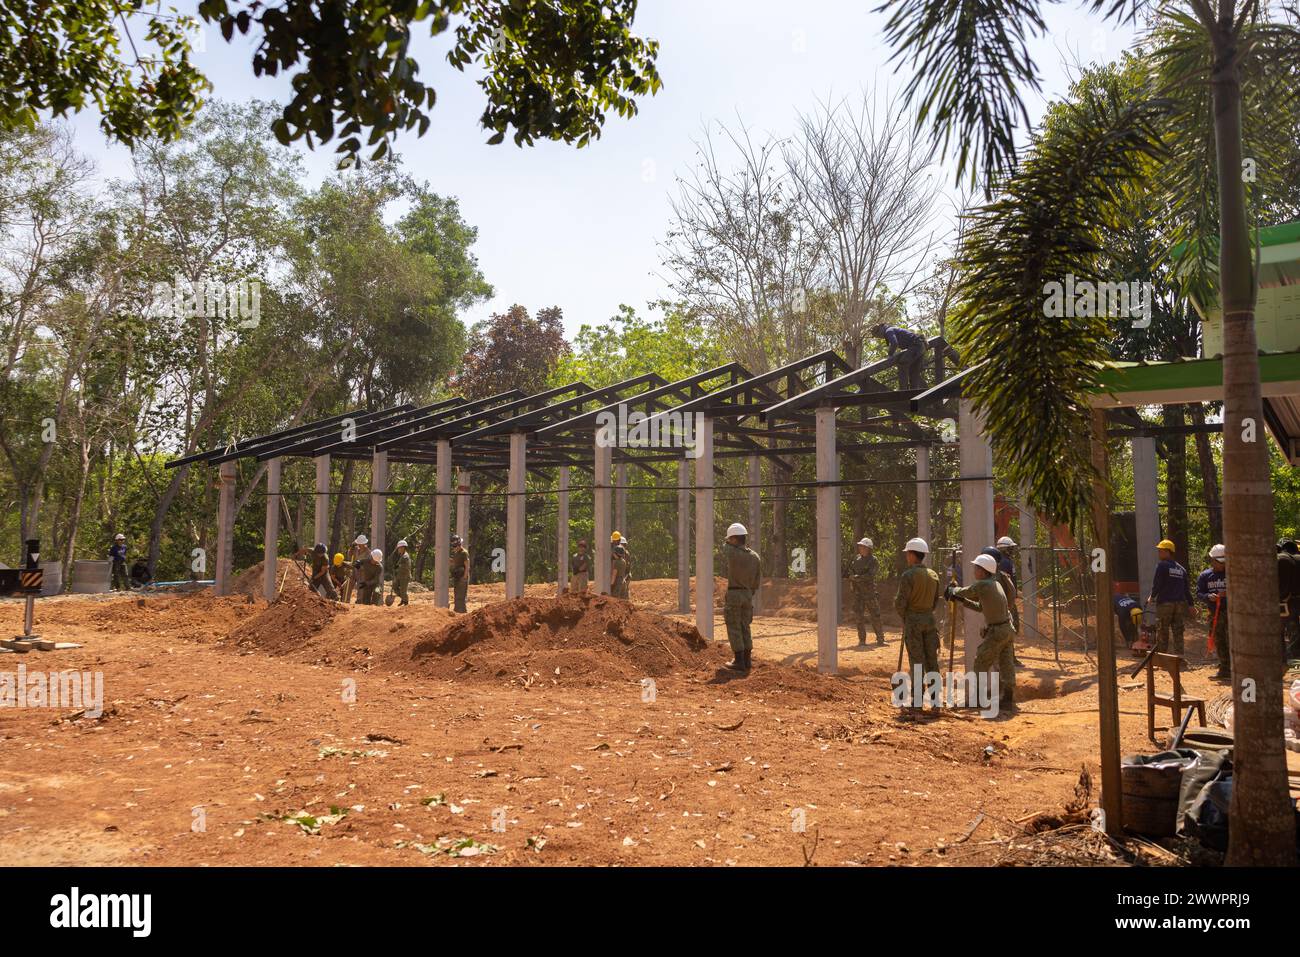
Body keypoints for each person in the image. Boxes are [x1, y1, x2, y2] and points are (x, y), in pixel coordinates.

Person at [945, 553, 1015, 710]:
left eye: (976, 568)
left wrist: (953, 590)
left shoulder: (984, 585)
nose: (974, 571)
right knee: (1006, 663)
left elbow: (967, 590)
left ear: (983, 571)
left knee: (981, 661)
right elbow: (980, 607)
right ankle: (1008, 698)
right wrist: (961, 601)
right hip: (1007, 629)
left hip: (997, 630)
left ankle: (977, 698)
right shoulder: (994, 584)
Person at [894, 537, 941, 685]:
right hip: (929, 621)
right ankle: (935, 699)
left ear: (914, 555)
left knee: (917, 662)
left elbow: (900, 603)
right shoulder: (933, 575)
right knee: (932, 661)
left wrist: (906, 617)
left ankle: (918, 701)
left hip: (913, 622)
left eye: (908, 553)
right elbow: (935, 602)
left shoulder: (908, 575)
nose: (907, 556)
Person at [722, 522, 762, 673]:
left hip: (734, 594)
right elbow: (757, 581)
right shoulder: (755, 557)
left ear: (733, 539)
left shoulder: (732, 553)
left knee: (734, 626)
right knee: (745, 625)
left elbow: (724, 547)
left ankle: (738, 661)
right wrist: (748, 593)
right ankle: (747, 659)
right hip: (747, 594)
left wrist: (728, 541)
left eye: (729, 539)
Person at [1147, 538, 1195, 655]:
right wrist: (1191, 605)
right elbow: (1186, 590)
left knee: (1163, 631)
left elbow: (1157, 584)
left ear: (1168, 552)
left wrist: (1152, 597)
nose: (1159, 553)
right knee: (1178, 632)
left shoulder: (1162, 566)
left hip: (1165, 604)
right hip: (1179, 605)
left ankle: (1163, 659)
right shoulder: (1181, 569)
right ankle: (1180, 658)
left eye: (1161, 550)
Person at [1197, 544, 1229, 680]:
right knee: (1219, 640)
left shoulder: (1233, 574)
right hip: (1215, 614)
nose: (1222, 565)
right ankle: (1225, 667)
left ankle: (1233, 667)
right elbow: (1199, 593)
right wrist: (1208, 597)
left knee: (1231, 640)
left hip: (1232, 613)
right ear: (1213, 560)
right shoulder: (1205, 576)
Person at [849, 537, 886, 646]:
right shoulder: (856, 559)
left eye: (863, 546)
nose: (860, 548)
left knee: (876, 615)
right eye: (860, 546)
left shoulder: (873, 560)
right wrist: (852, 577)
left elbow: (870, 575)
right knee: (859, 616)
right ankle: (862, 640)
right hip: (858, 593)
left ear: (869, 548)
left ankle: (880, 639)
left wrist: (856, 578)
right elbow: (851, 571)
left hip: (869, 593)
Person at [871, 323, 927, 390]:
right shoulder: (891, 329)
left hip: (916, 346)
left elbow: (894, 343)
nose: (879, 337)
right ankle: (913, 393)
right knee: (913, 372)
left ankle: (903, 391)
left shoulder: (888, 331)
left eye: (877, 335)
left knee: (902, 364)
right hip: (921, 346)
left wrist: (890, 354)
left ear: (880, 330)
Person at [1279, 541, 1300, 655]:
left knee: (1289, 627)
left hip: (1288, 600)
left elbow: (1283, 583)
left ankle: (1293, 654)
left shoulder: (1282, 559)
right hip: (1293, 598)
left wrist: (1281, 598)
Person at [386, 539, 411, 606]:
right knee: (395, 587)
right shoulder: (402, 555)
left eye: (399, 548)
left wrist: (397, 567)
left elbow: (405, 567)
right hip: (399, 575)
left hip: (404, 576)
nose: (398, 550)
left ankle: (405, 602)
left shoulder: (405, 557)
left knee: (403, 590)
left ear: (403, 548)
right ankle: (404, 599)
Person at [450, 534, 469, 613]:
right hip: (457, 576)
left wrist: (465, 576)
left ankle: (461, 612)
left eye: (455, 546)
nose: (454, 548)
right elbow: (455, 562)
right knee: (457, 595)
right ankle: (457, 611)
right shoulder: (456, 553)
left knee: (461, 596)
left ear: (459, 545)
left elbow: (467, 565)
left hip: (462, 577)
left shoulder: (464, 553)